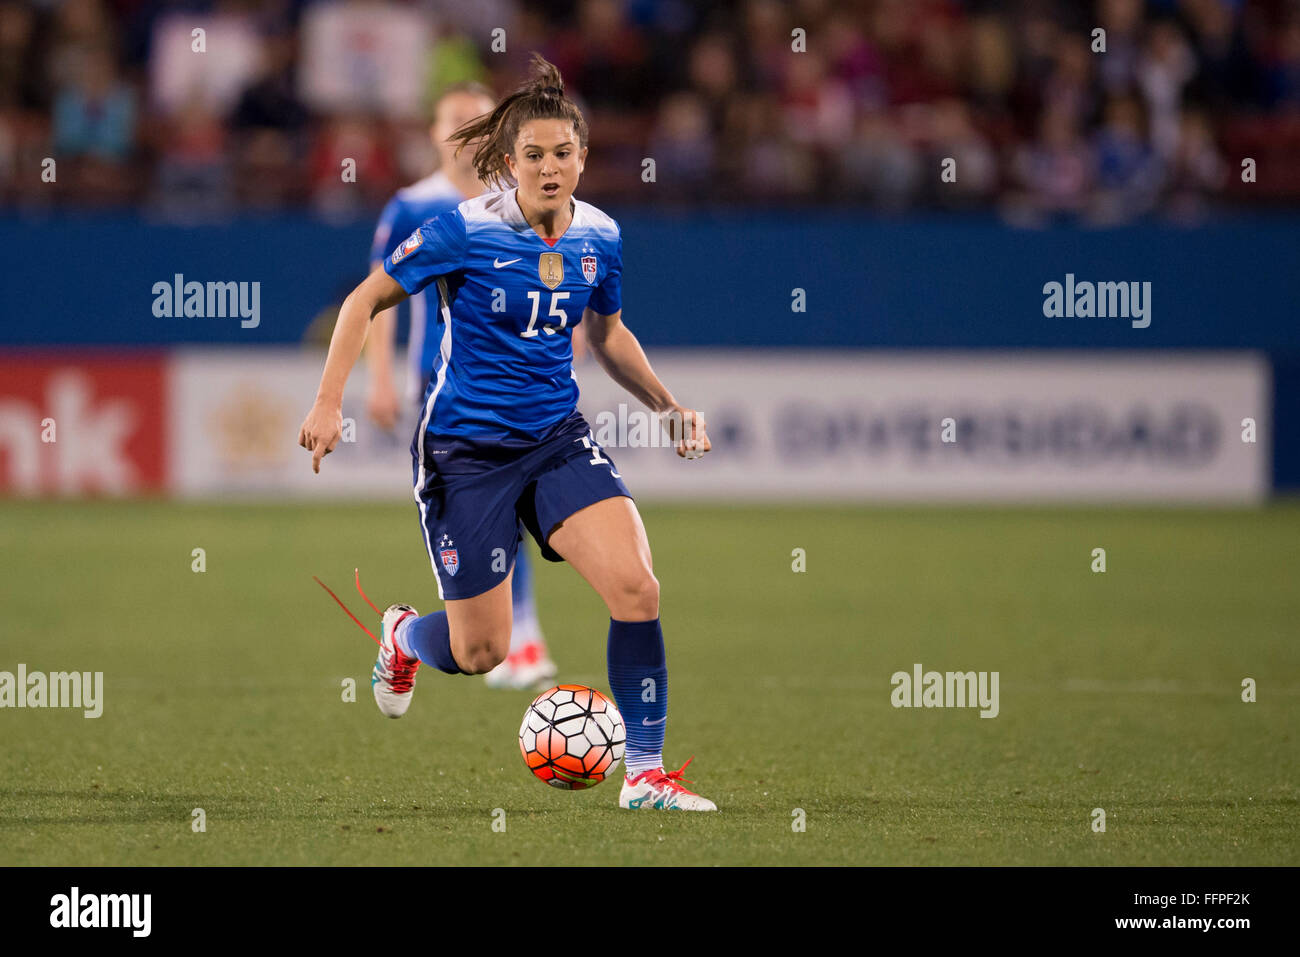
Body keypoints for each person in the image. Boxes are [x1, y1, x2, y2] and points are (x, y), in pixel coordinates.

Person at [298, 54, 716, 811]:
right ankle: (401, 639)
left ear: (584, 157)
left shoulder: (602, 236)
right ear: (508, 161)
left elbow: (610, 332)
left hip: (557, 439)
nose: (550, 168)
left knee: (636, 586)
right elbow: (362, 302)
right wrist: (331, 402)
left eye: (564, 153)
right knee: (481, 650)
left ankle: (646, 776)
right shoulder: (462, 230)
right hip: (465, 454)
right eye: (533, 155)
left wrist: (667, 404)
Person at [366, 82, 558, 690]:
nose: (467, 127)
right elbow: (377, 299)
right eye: (456, 119)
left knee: (519, 501)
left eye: (479, 118)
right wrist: (380, 380)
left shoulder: (516, 202)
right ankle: (494, 632)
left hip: (513, 378)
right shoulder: (412, 205)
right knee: (488, 508)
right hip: (440, 379)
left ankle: (518, 633)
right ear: (434, 132)